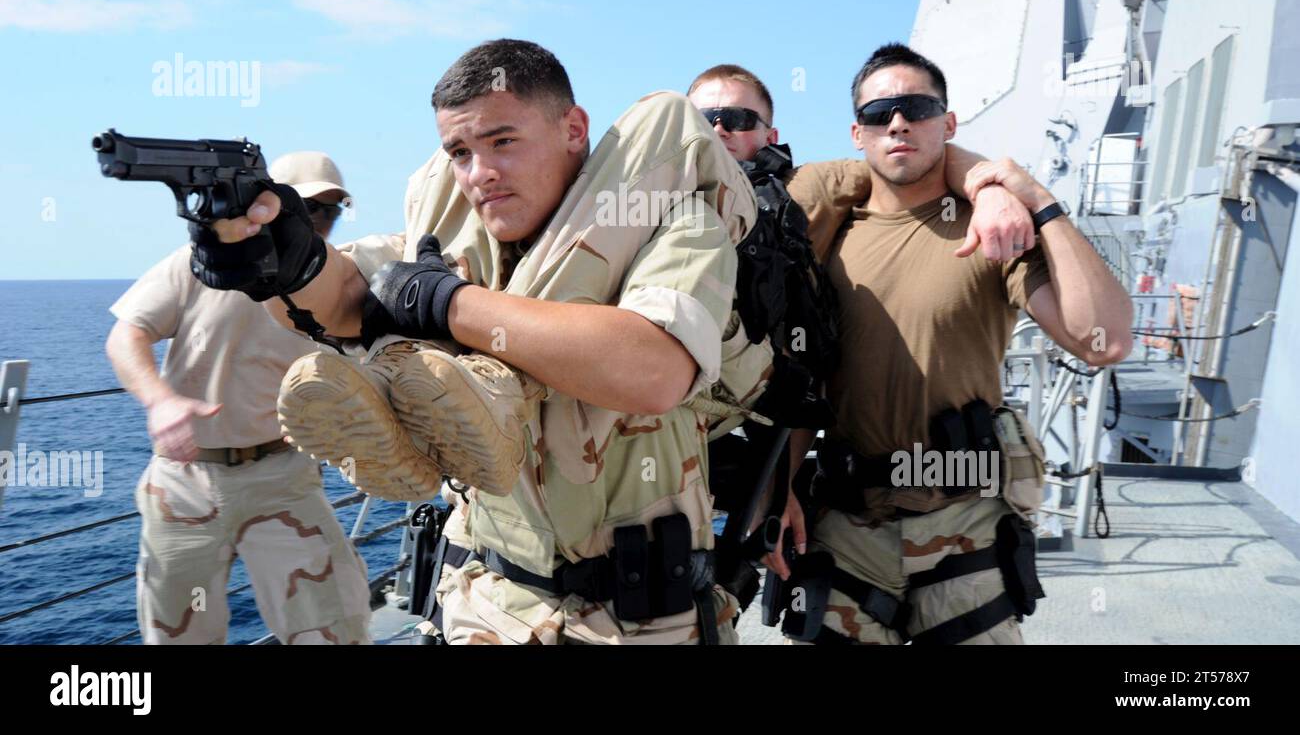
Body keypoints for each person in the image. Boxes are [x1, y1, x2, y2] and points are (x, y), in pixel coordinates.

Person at [192, 39, 756, 644]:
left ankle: (460, 389)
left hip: (642, 619)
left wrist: (451, 306)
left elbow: (653, 371)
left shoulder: (677, 220)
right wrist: (276, 260)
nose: (479, 173)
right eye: (459, 152)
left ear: (573, 129)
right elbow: (353, 291)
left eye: (503, 141)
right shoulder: (458, 240)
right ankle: (416, 394)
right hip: (489, 604)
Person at [763, 42, 1133, 644]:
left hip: (963, 524)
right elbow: (801, 379)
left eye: (917, 106)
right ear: (858, 133)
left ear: (949, 123)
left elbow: (1105, 340)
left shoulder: (995, 229)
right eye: (881, 111)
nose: (899, 122)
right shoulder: (827, 233)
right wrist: (781, 494)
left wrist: (1035, 200)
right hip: (847, 525)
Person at [105, 151, 373, 645]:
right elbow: (127, 335)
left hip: (282, 474)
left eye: (331, 212)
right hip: (184, 480)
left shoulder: (339, 279)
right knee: (177, 635)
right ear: (265, 205)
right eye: (310, 210)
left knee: (336, 627)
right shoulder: (199, 265)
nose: (321, 224)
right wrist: (160, 401)